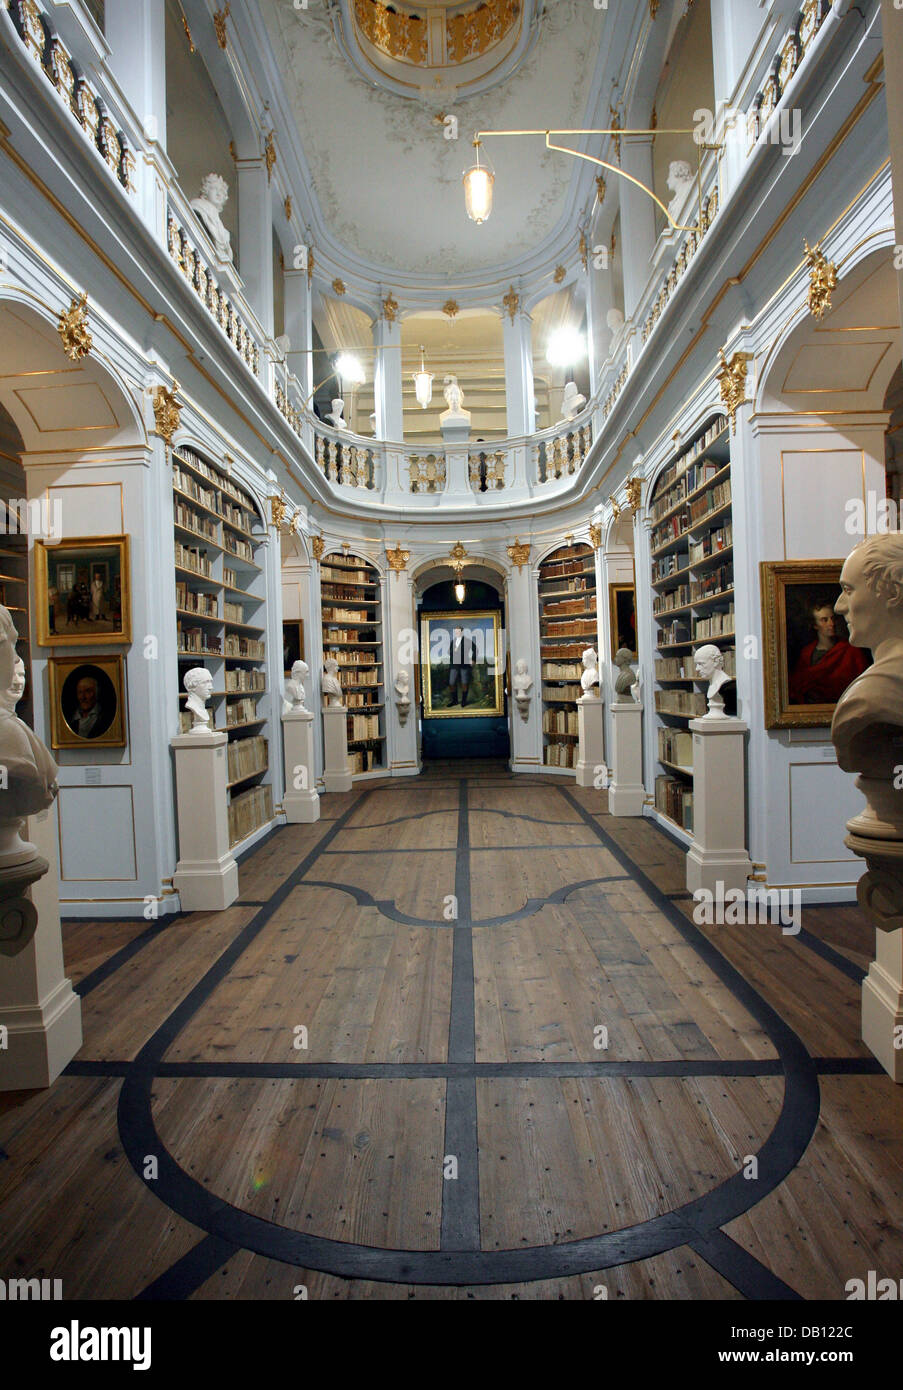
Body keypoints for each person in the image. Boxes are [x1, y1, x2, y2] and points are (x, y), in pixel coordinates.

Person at [789, 598, 869, 705]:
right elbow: (797, 687)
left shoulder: (852, 650)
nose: (831, 623)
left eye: (833, 619)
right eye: (824, 620)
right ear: (815, 625)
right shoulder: (806, 654)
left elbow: (863, 686)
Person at [68, 671, 115, 740]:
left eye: (88, 691)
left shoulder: (106, 717)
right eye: (80, 692)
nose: (83, 697)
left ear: (97, 693)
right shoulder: (72, 719)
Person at [448, 626, 475, 707]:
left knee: (464, 683)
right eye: (455, 631)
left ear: (462, 632)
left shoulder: (467, 641)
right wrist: (454, 651)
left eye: (458, 631)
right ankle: (455, 701)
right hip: (454, 665)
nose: (457, 633)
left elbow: (475, 649)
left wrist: (473, 660)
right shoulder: (453, 641)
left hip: (464, 665)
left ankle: (464, 701)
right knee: (451, 682)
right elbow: (449, 652)